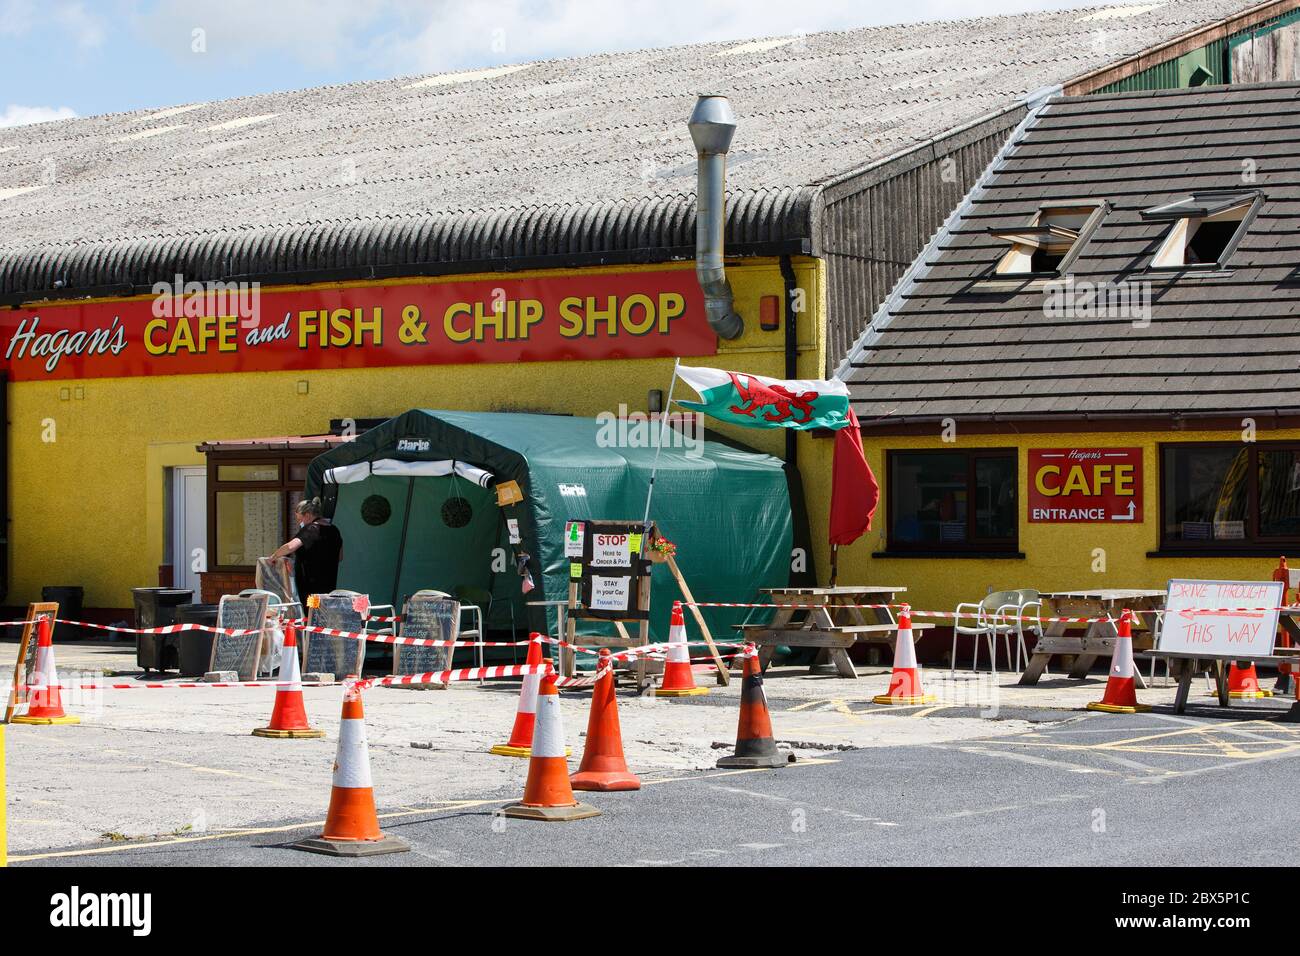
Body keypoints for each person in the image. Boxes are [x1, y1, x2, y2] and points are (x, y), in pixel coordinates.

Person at [271, 498, 344, 600]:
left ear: (308, 515)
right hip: (329, 585)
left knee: (311, 613)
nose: (300, 523)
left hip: (310, 586)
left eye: (300, 519)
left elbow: (290, 546)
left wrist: (274, 557)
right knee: (322, 613)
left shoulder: (311, 529)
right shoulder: (334, 530)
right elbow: (340, 557)